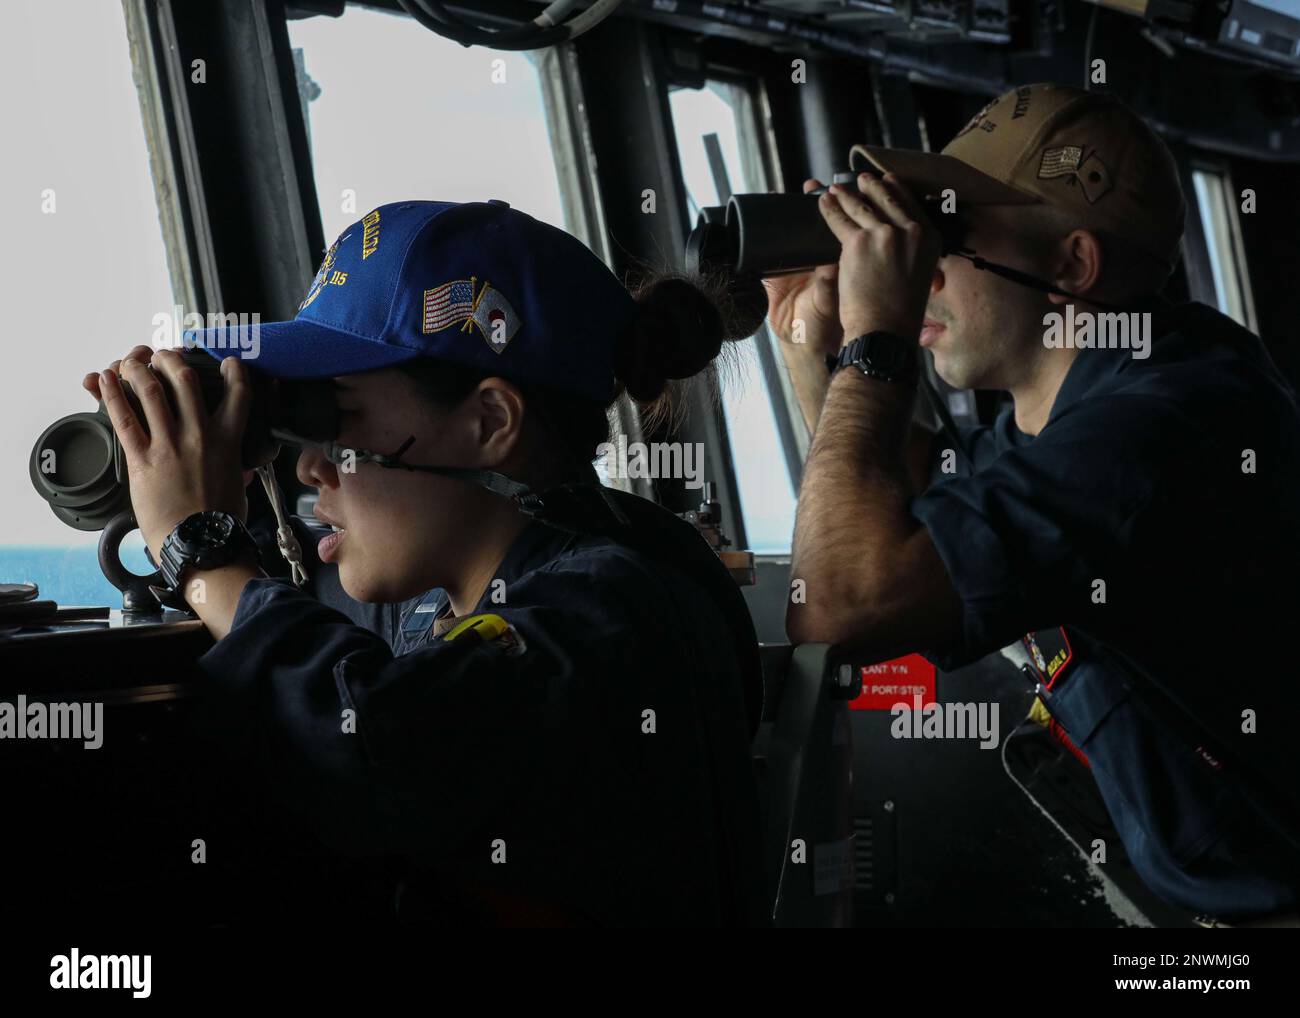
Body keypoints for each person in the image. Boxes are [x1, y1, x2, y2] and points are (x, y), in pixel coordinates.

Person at [83, 199, 769, 927]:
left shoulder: (613, 611)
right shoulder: (464, 591)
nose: (312, 465)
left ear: (491, 423)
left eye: (336, 417)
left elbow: (371, 746)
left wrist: (200, 549)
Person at [771, 82, 1300, 925]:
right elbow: (905, 512)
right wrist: (820, 351)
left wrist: (877, 342)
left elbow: (843, 603)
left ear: (1071, 268)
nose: (924, 269)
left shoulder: (1163, 425)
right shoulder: (1073, 414)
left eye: (946, 233)